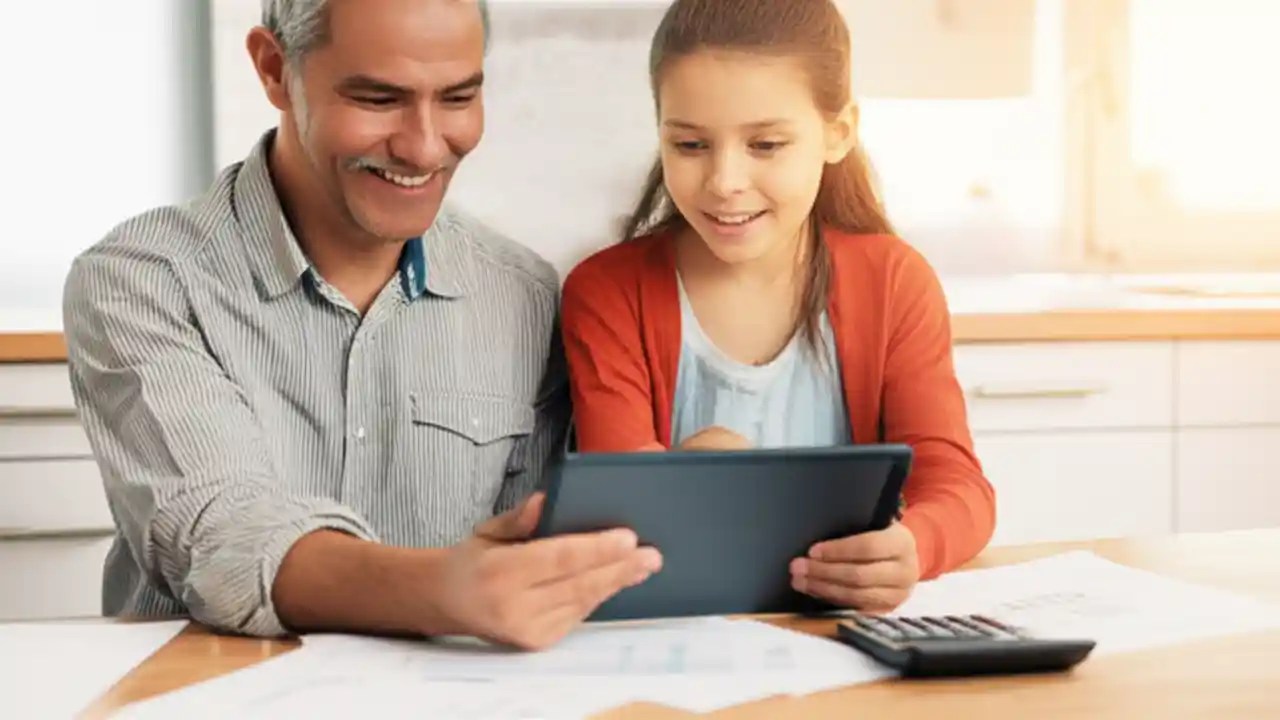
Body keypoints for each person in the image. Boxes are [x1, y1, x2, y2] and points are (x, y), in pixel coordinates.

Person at [62, 0, 660, 651]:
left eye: (458, 97)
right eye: (378, 100)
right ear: (273, 69)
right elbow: (221, 538)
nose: (426, 146)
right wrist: (441, 591)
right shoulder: (142, 281)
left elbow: (538, 563)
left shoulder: (526, 297)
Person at [560, 0, 996, 613]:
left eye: (765, 144)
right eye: (689, 144)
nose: (724, 181)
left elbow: (957, 486)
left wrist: (914, 546)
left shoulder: (895, 282)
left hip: (838, 646)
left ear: (837, 133)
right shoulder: (607, 292)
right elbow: (619, 513)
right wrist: (689, 477)